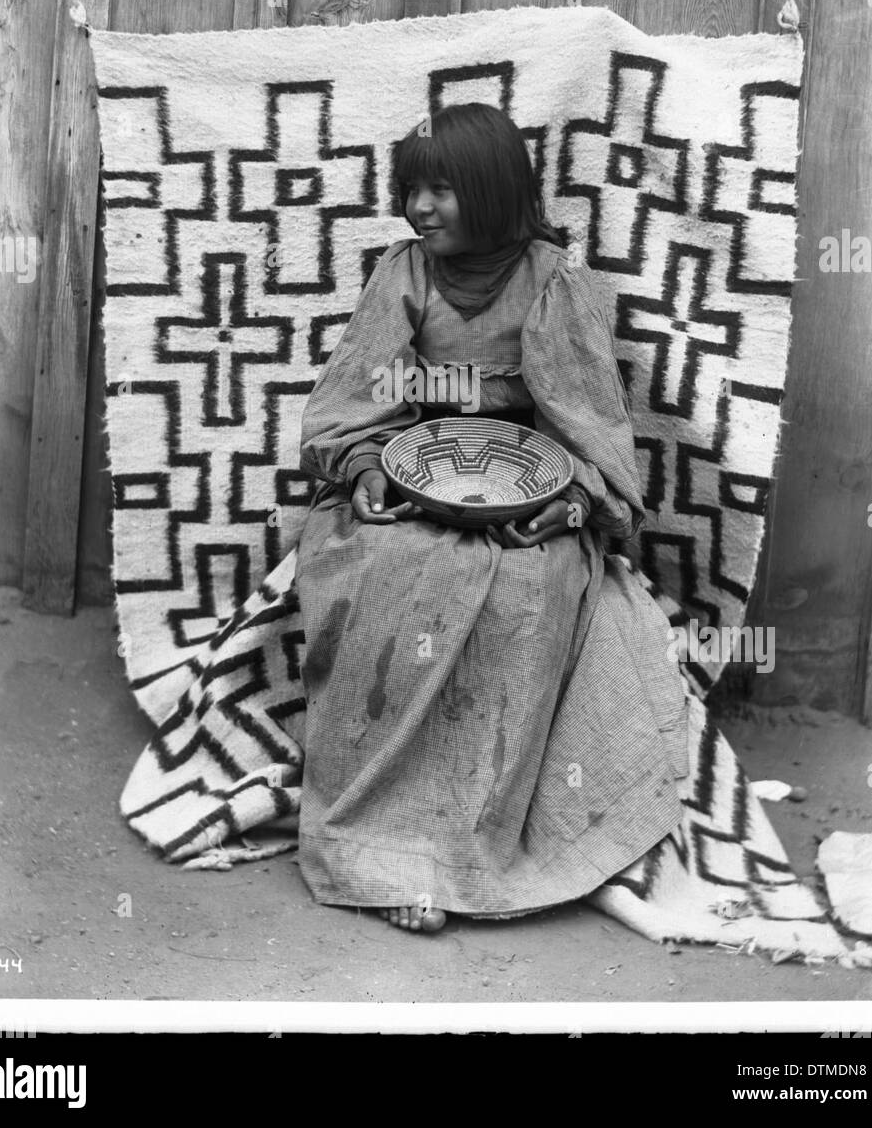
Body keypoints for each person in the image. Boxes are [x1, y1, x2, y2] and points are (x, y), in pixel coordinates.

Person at [294, 102, 689, 934]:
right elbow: (348, 406)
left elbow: (589, 424)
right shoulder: (402, 274)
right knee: (390, 575)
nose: (420, 208)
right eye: (411, 189)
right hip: (409, 480)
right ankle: (378, 851)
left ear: (496, 191)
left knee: (528, 595)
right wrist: (365, 469)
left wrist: (572, 502)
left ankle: (467, 845)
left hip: (528, 498)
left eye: (443, 189)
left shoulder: (556, 283)